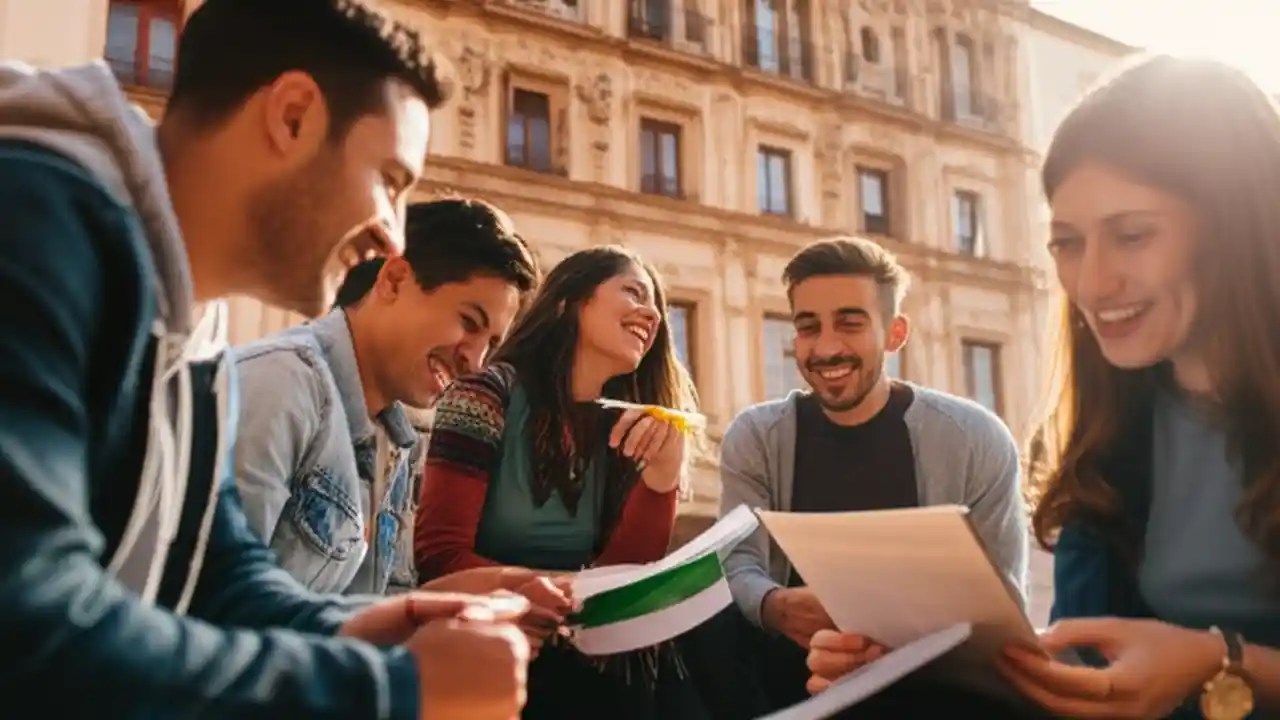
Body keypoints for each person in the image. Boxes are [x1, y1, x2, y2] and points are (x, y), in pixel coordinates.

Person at [0, 1, 530, 717]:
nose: (393, 237)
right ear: (292, 116)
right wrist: (390, 689)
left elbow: (218, 572)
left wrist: (362, 629)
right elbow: (27, 621)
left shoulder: (197, 328)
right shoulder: (32, 224)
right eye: (389, 181)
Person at [982, 55, 1280, 720]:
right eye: (1066, 243)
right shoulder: (1110, 431)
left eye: (1133, 235)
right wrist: (914, 663)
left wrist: (1222, 662)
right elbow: (1081, 665)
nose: (1092, 284)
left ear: (1235, 228)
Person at [718, 237, 1028, 716]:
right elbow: (736, 564)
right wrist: (776, 605)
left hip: (936, 701)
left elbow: (1004, 606)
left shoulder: (976, 438)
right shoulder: (757, 436)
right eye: (807, 327)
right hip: (795, 697)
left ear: (894, 332)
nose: (826, 348)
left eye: (849, 323)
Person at [414, 246, 710, 719]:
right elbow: (439, 558)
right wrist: (560, 590)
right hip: (492, 640)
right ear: (569, 302)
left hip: (583, 651)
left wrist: (662, 479)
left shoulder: (628, 424)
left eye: (656, 303)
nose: (652, 312)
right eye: (633, 292)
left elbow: (622, 580)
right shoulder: (486, 395)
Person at [233, 198, 541, 597]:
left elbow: (366, 609)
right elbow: (220, 601)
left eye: (491, 344)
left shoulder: (394, 439)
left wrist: (483, 602)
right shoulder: (282, 384)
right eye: (469, 322)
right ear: (394, 280)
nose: (475, 361)